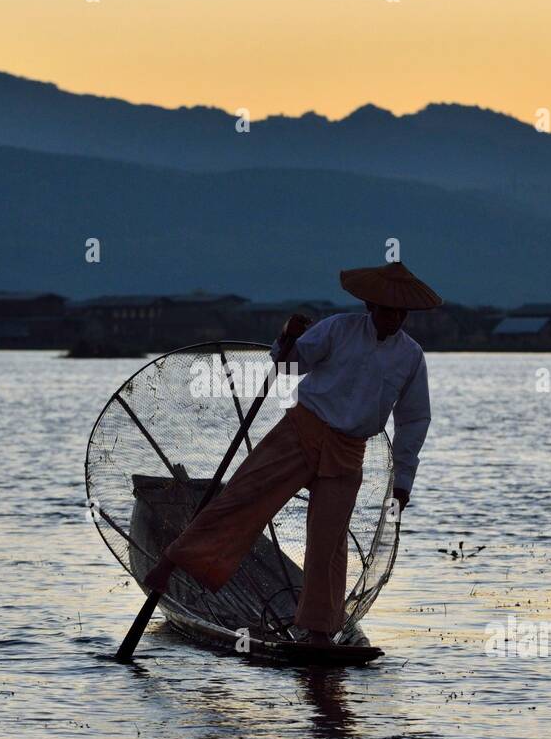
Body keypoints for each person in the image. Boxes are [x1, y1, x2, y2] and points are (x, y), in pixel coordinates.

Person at [143, 261, 439, 644]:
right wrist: (288, 337)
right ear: (370, 306)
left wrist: (403, 481)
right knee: (244, 498)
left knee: (328, 545)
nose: (394, 318)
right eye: (387, 310)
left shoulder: (411, 357)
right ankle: (172, 562)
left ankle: (318, 629)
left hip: (348, 452)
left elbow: (414, 420)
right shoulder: (338, 329)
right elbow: (288, 363)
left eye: (401, 312)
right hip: (302, 431)